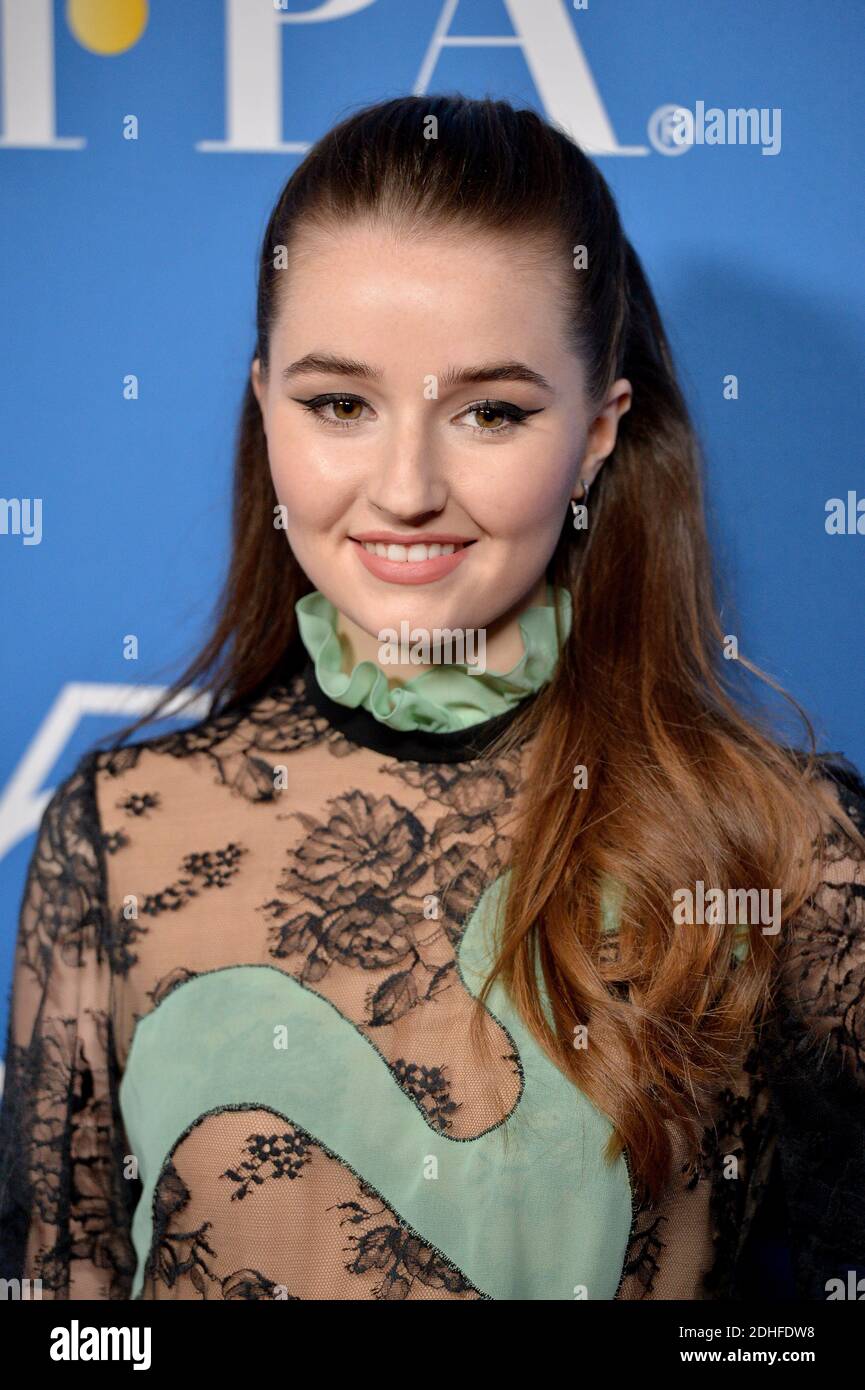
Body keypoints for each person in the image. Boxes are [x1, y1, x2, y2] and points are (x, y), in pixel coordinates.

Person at [1, 94, 863, 1302]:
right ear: (265, 408)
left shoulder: (782, 848)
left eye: (491, 412)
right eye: (339, 404)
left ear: (600, 431)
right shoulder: (120, 830)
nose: (405, 487)